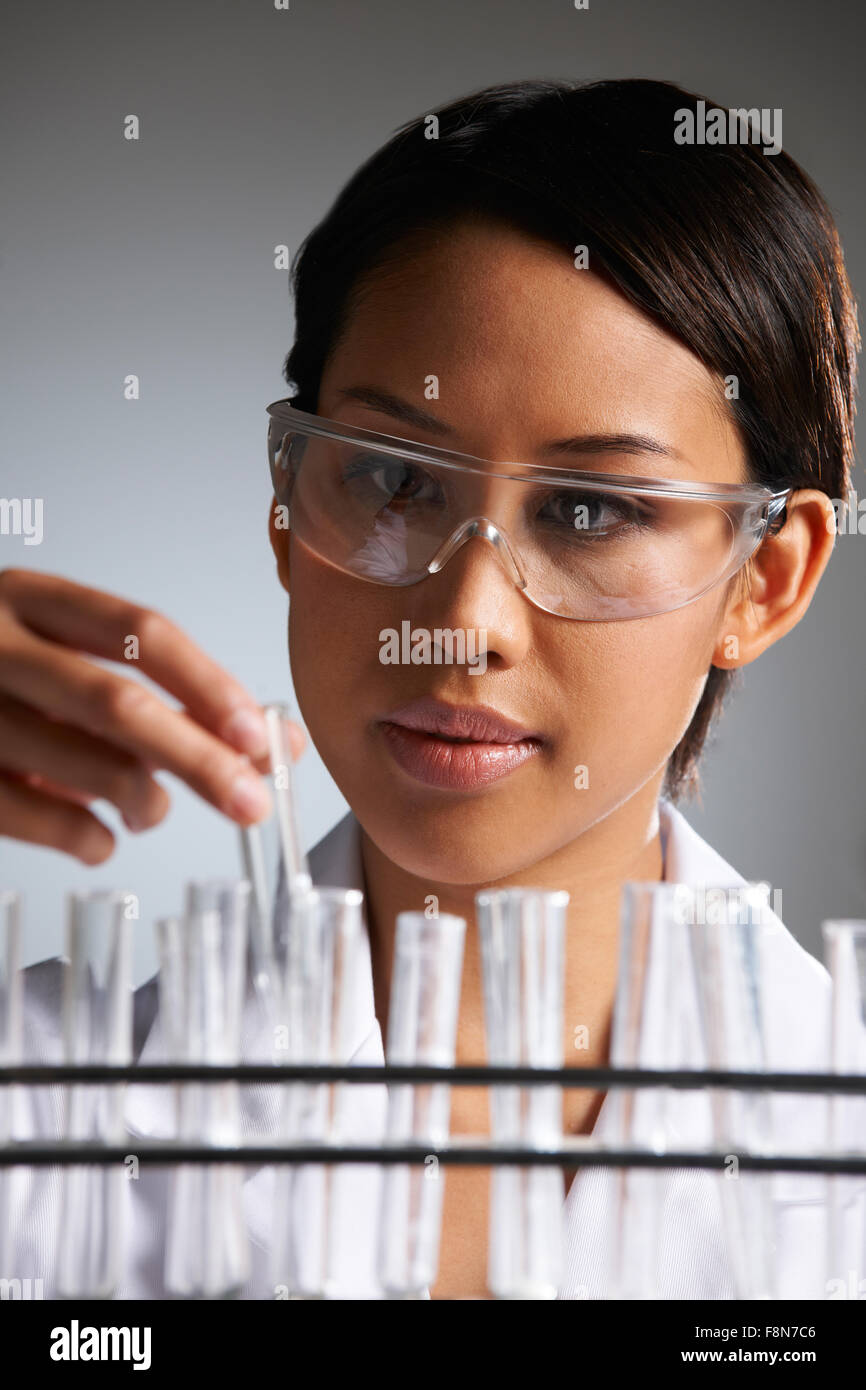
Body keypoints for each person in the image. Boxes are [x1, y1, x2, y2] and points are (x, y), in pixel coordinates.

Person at [1, 76, 858, 1299]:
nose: (462, 625)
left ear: (760, 581)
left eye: (586, 508)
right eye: (398, 484)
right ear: (290, 508)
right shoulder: (45, 1102)